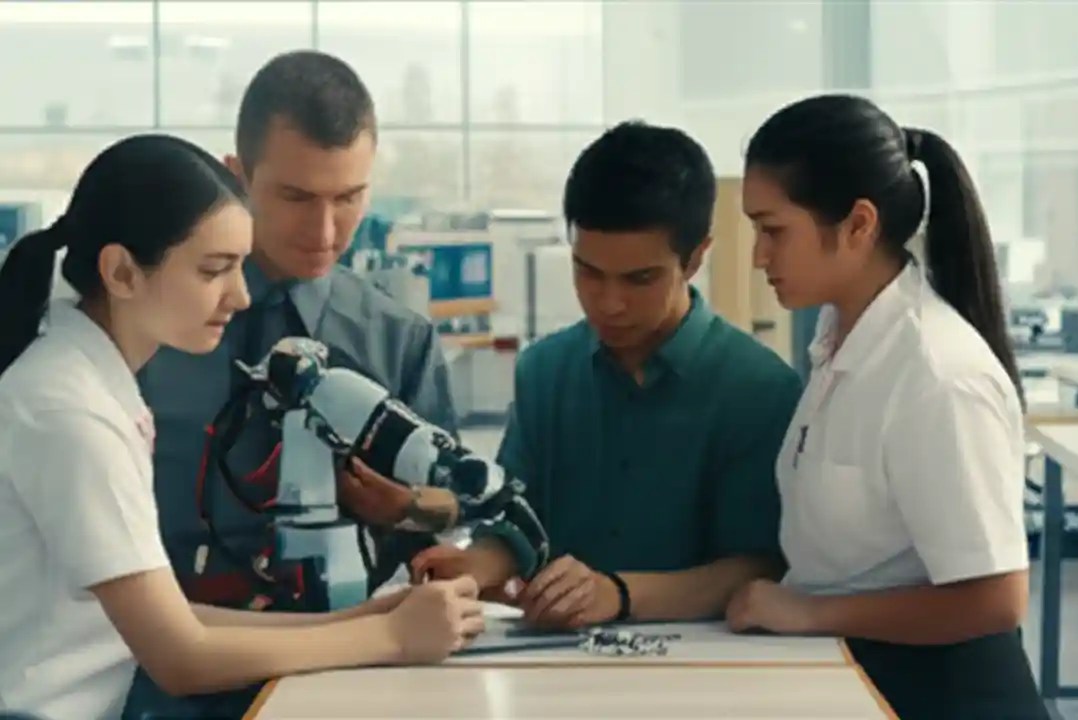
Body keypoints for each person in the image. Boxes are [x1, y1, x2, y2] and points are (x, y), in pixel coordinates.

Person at [0, 134, 483, 720]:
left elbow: (172, 619)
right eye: (215, 270)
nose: (242, 295)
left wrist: (365, 619)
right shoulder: (69, 413)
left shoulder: (88, 381)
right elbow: (180, 657)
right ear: (122, 272)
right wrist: (391, 638)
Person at [136, 50, 529, 611]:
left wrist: (412, 509)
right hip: (166, 642)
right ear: (236, 177)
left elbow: (452, 513)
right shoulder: (151, 331)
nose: (325, 232)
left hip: (356, 638)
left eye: (348, 198)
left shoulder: (399, 342)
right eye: (295, 197)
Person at [724, 93, 1047, 719]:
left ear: (858, 225)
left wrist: (808, 611)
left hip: (944, 698)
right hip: (866, 678)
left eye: (773, 230)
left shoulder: (938, 374)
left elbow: (994, 600)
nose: (759, 256)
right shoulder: (841, 342)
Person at [412, 121, 804, 628]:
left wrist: (618, 593)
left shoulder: (758, 389)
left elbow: (760, 568)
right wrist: (476, 565)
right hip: (560, 654)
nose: (609, 303)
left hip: (705, 657)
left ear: (695, 258)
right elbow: (517, 524)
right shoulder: (545, 372)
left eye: (640, 279)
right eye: (588, 272)